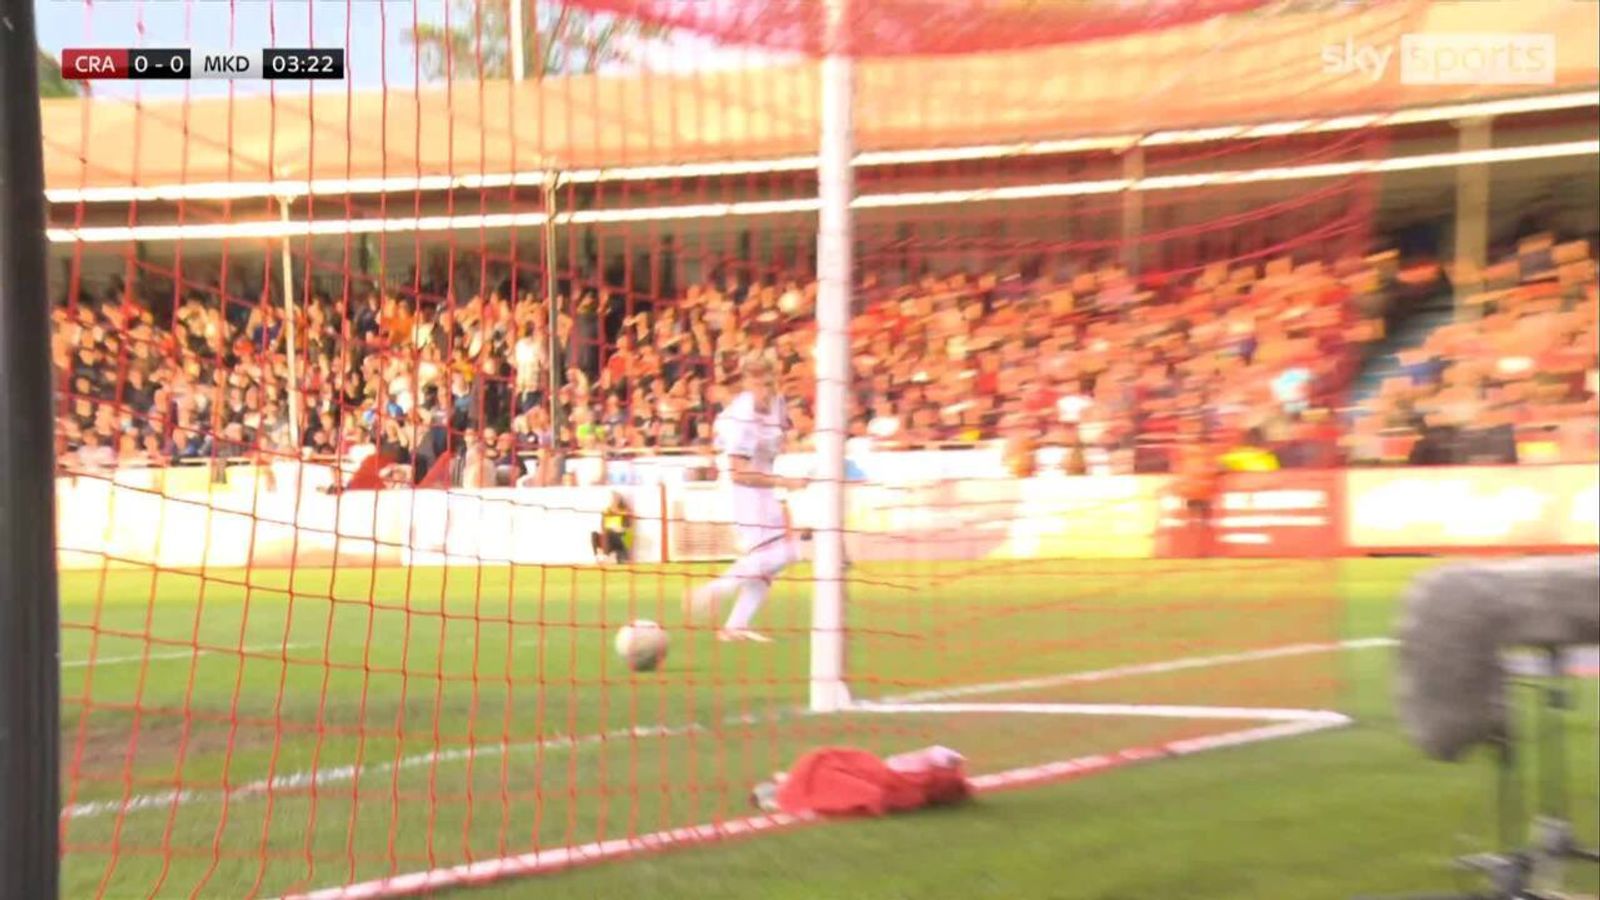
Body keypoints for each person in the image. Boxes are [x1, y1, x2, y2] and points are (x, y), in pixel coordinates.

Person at [684, 355, 806, 642]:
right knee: (783, 553)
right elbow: (739, 473)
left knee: (772, 558)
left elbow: (777, 440)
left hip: (764, 487)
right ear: (747, 384)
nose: (765, 389)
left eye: (768, 382)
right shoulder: (742, 418)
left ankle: (735, 625)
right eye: (758, 384)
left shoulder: (777, 404)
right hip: (742, 491)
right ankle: (710, 593)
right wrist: (784, 481)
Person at [591, 492, 633, 564]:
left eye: (616, 499)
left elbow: (628, 527)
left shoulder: (623, 511)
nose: (614, 501)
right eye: (613, 499)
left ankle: (610, 556)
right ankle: (599, 556)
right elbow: (602, 526)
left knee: (610, 533)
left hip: (619, 536)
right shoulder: (607, 511)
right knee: (594, 534)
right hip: (607, 536)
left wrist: (620, 529)